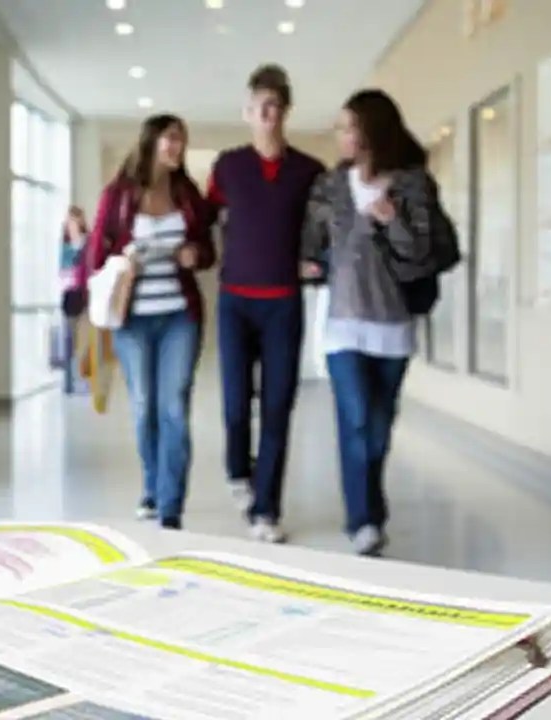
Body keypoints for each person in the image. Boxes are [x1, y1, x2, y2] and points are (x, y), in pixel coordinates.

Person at [301, 89, 442, 556]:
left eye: (348, 127)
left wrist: (391, 221)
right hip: (343, 325)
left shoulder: (413, 185)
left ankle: (369, 510)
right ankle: (363, 520)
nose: (341, 135)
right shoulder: (329, 186)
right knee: (357, 419)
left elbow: (422, 255)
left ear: (370, 130)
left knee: (378, 428)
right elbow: (310, 242)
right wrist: (310, 264)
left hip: (393, 327)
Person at [204, 64, 325, 543]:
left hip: (283, 304)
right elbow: (204, 219)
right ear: (247, 112)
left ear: (286, 111)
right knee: (236, 405)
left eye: (275, 107)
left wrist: (317, 263)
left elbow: (325, 229)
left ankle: (266, 509)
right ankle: (239, 470)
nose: (267, 115)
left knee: (277, 406)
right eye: (259, 108)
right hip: (235, 301)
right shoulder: (227, 167)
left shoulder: (308, 172)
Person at [78, 114, 216, 530]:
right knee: (144, 408)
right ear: (152, 141)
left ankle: (171, 506)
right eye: (172, 138)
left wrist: (196, 255)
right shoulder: (118, 196)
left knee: (174, 406)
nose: (178, 147)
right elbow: (93, 261)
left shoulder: (187, 194)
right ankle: (152, 488)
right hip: (133, 320)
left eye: (182, 140)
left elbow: (208, 249)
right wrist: (125, 261)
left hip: (179, 317)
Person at [58, 207, 90, 393]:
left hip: (85, 293)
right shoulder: (64, 246)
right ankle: (69, 381)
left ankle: (82, 377)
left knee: (85, 338)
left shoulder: (88, 242)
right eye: (70, 221)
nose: (73, 225)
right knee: (69, 338)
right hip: (69, 295)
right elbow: (63, 271)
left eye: (76, 220)